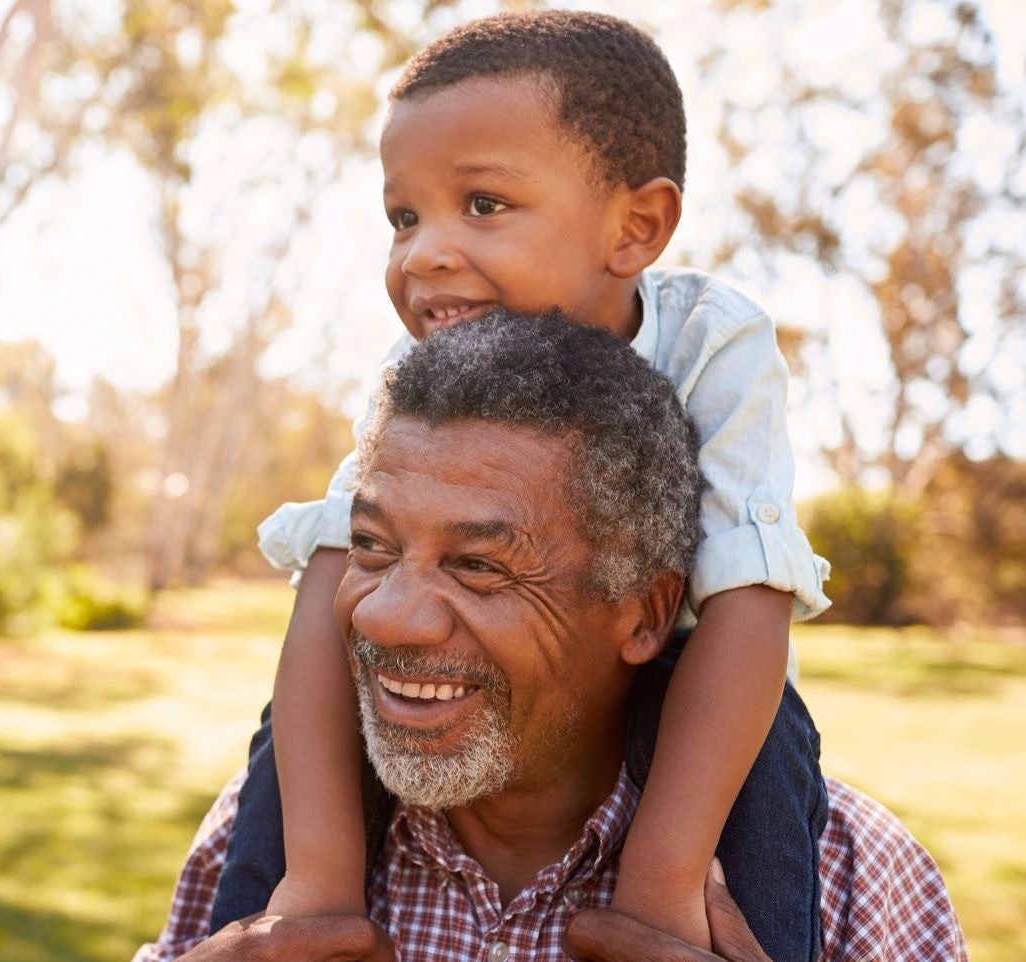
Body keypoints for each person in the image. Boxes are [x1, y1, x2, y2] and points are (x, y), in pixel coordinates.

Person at [213, 11, 833, 959]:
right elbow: (330, 579)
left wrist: (660, 889)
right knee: (289, 731)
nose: (422, 253)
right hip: (489, 704)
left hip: (689, 675)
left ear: (636, 227)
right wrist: (318, 877)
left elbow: (751, 598)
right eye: (404, 217)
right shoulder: (414, 376)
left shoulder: (712, 340)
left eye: (483, 205)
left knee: (772, 744)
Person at [136, 313, 965, 962]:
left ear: (644, 613)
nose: (384, 616)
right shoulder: (265, 838)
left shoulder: (850, 877)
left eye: (478, 566)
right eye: (372, 547)